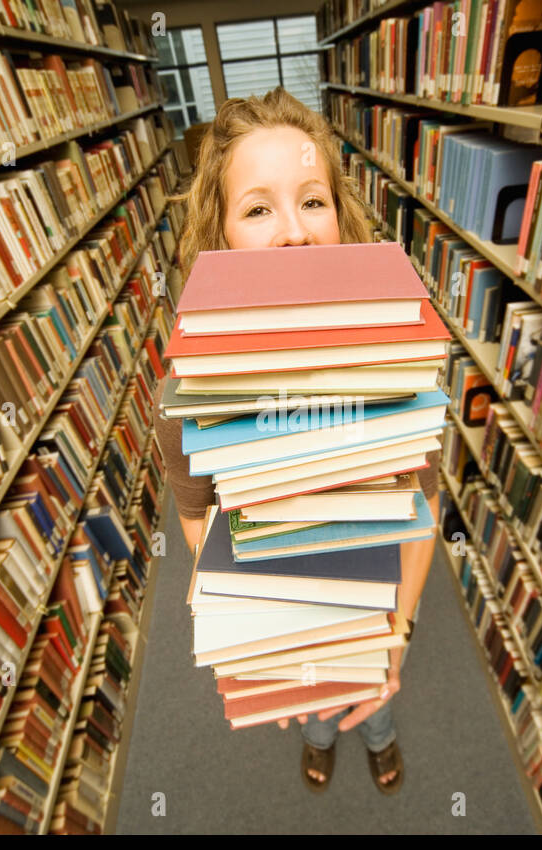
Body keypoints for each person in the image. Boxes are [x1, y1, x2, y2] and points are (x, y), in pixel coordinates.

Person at [153, 87, 442, 795]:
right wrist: (262, 629)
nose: (293, 232)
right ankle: (319, 739)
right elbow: (196, 517)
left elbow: (422, 503)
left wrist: (399, 629)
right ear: (221, 238)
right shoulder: (188, 395)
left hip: (376, 601)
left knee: (375, 689)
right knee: (311, 700)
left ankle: (379, 739)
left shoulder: (397, 361)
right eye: (258, 209)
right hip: (283, 608)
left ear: (341, 218)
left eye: (312, 201)